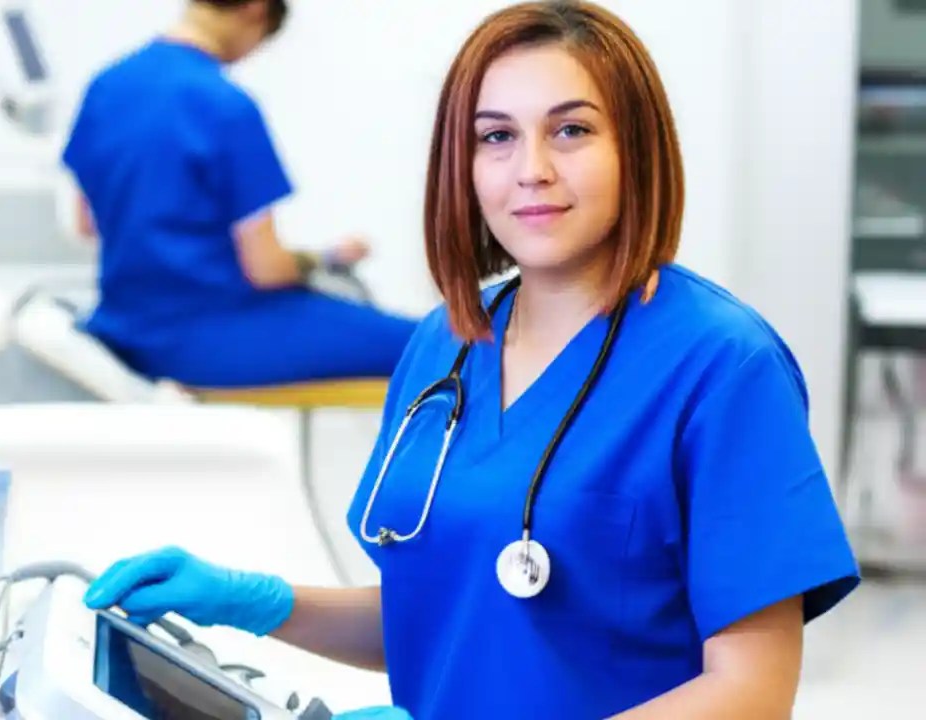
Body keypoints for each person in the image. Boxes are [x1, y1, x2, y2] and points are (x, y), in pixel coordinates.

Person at [79, 2, 861, 718]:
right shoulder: (443, 344)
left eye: (571, 130)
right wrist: (257, 602)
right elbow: (448, 614)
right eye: (496, 136)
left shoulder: (722, 368)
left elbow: (752, 692)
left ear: (637, 147)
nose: (532, 170)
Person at [61, 0, 417, 389]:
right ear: (254, 10)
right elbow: (264, 269)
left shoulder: (106, 86)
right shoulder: (224, 104)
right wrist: (323, 259)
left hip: (122, 329)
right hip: (209, 336)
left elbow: (86, 223)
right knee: (444, 343)